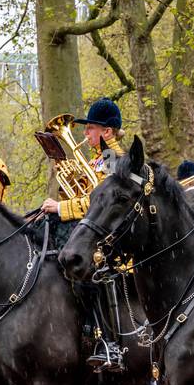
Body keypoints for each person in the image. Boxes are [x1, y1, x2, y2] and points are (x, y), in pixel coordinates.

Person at [42, 98, 126, 370]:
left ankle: (107, 341)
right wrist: (68, 178)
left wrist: (60, 206)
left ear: (108, 132)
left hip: (113, 240)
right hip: (96, 235)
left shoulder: (116, 160)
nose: (85, 134)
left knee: (90, 269)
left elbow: (98, 204)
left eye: (90, 129)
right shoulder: (99, 160)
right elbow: (86, 197)